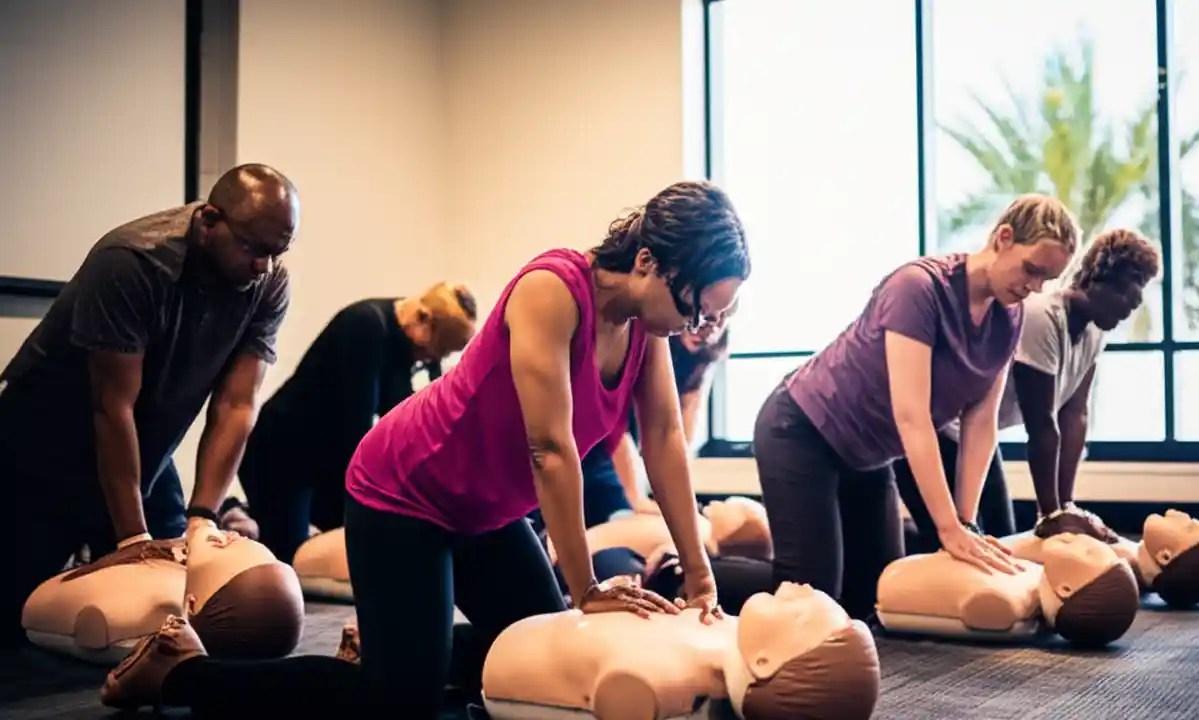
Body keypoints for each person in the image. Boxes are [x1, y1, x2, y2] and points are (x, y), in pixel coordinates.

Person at [100, 179, 752, 717]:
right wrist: (585, 586)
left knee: (538, 652)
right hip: (404, 491)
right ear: (647, 264)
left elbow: (664, 440)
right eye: (698, 309)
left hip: (485, 513)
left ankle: (393, 639)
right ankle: (182, 673)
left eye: (716, 317)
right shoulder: (553, 290)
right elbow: (550, 450)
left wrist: (700, 577)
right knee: (398, 700)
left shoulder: (647, 331)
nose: (702, 328)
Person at [0, 164, 299, 647]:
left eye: (276, 252)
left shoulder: (268, 280)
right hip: (44, 439)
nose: (263, 266)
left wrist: (203, 516)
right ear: (208, 222)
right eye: (252, 248)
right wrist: (133, 541)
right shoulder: (131, 261)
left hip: (146, 441)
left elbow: (237, 404)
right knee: (15, 618)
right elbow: (110, 406)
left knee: (170, 610)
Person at [752, 194, 1079, 623]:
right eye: (1032, 270)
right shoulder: (918, 288)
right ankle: (681, 577)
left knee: (874, 593)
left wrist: (965, 523)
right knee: (810, 595)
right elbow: (912, 416)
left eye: (1047, 280)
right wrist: (946, 530)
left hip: (868, 455)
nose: (1034, 287)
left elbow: (980, 423)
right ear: (1003, 239)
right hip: (802, 429)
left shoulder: (1009, 316)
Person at [895, 228, 1162, 553]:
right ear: (1096, 280)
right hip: (941, 430)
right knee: (963, 546)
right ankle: (899, 542)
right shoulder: (1041, 317)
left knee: (1001, 541)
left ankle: (911, 537)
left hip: (977, 435)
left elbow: (1075, 415)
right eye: (1127, 294)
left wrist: (1066, 506)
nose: (1133, 306)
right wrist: (1050, 514)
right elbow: (1042, 425)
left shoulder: (1095, 334)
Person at [235, 283, 479, 563]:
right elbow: (357, 424)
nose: (433, 360)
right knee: (288, 556)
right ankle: (238, 524)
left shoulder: (407, 343)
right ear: (424, 320)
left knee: (355, 538)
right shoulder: (366, 325)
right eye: (438, 351)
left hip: (321, 458)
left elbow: (403, 416)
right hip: (280, 455)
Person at [566, 322, 732, 527]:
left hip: (627, 442)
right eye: (701, 318)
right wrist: (635, 499)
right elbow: (616, 428)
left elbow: (681, 435)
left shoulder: (704, 358)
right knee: (618, 507)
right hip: (599, 442)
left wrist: (678, 505)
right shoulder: (649, 339)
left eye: (718, 321)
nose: (704, 329)